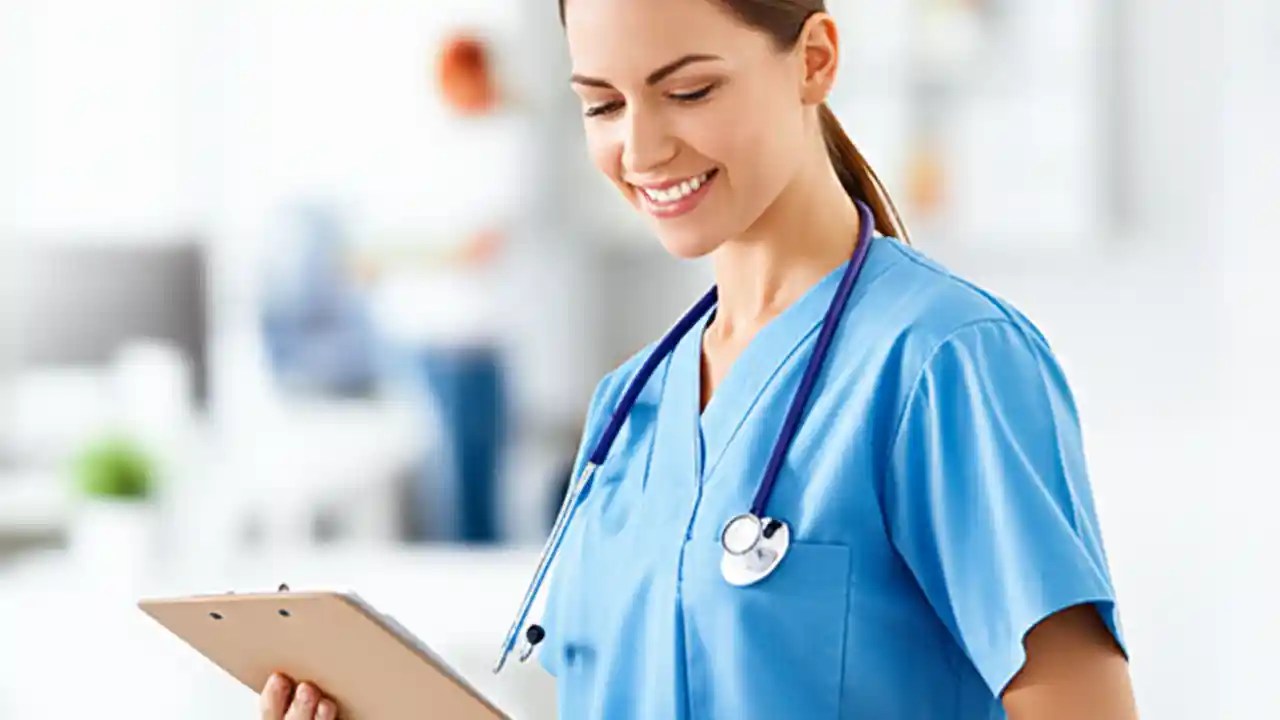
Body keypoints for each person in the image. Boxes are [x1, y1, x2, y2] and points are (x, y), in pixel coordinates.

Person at [260, 0, 1137, 718]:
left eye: (688, 90)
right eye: (602, 105)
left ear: (815, 58)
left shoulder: (945, 364)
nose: (640, 151)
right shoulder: (626, 412)